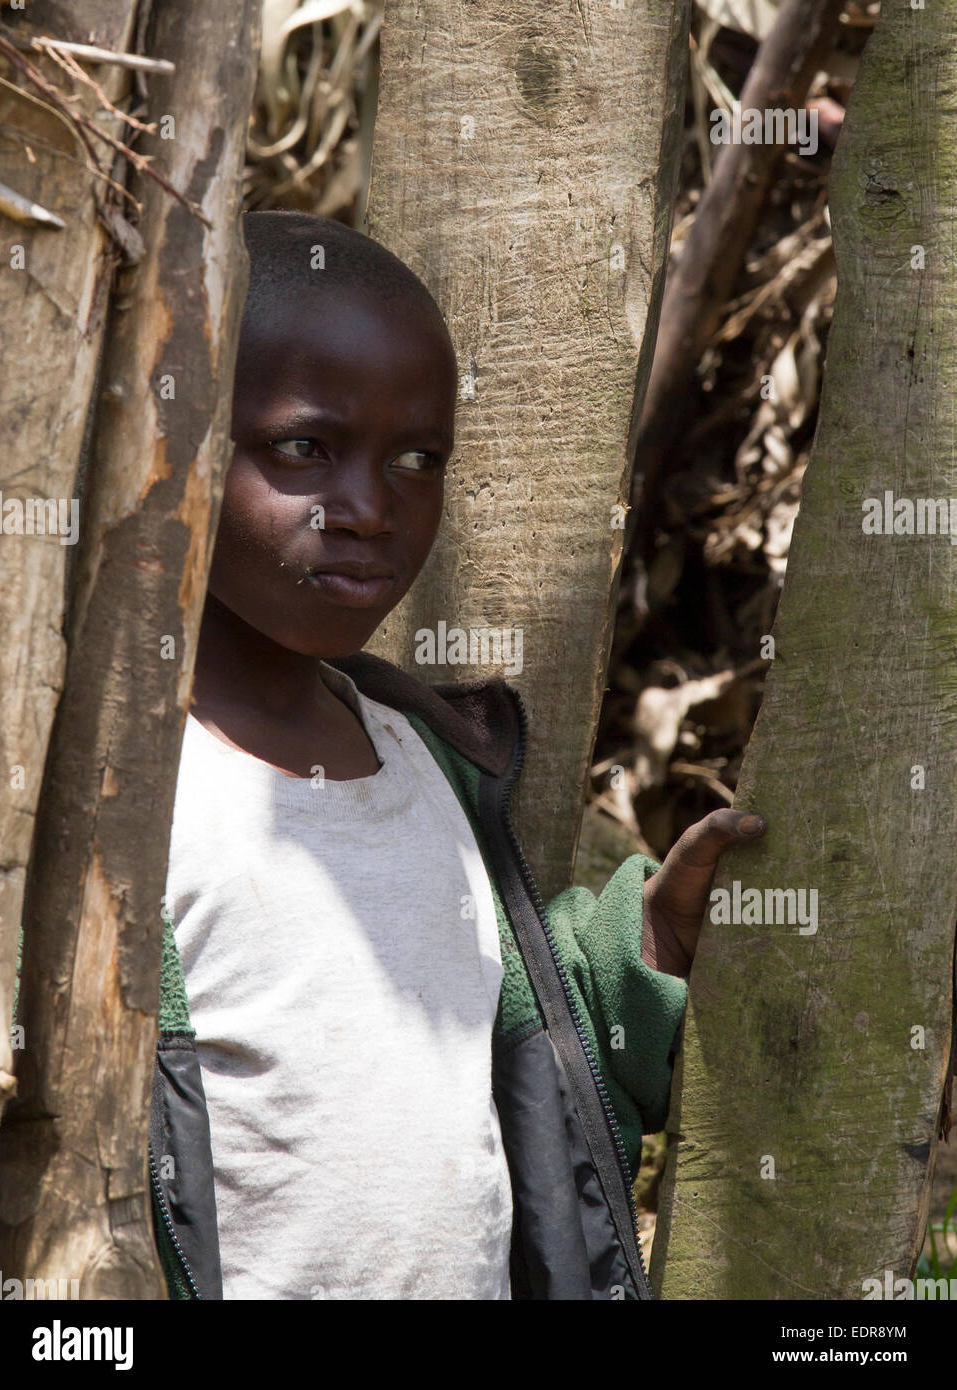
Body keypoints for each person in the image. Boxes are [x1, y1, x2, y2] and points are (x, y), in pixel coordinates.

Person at [149, 210, 767, 1301]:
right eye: (305, 447)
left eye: (418, 457)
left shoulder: (423, 758)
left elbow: (504, 1036)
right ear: (181, 437)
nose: (369, 508)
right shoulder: (131, 799)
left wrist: (646, 945)